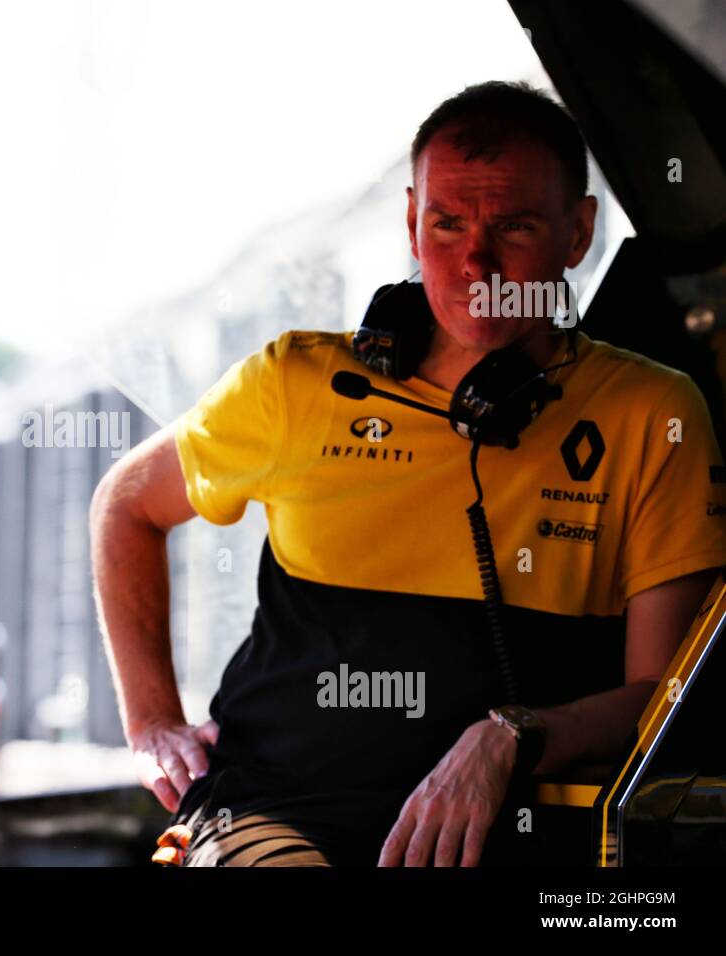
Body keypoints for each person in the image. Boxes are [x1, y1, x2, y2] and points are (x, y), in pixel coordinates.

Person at [90, 81, 726, 867]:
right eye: (447, 224)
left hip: (503, 837)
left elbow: (662, 702)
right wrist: (152, 723)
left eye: (514, 226)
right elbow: (128, 502)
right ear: (411, 225)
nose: (476, 262)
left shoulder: (653, 414)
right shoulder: (296, 383)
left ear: (579, 232)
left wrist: (511, 736)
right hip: (271, 810)